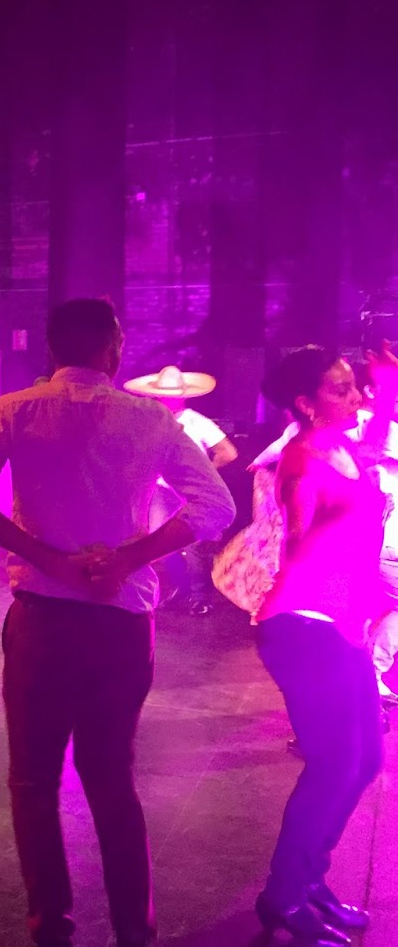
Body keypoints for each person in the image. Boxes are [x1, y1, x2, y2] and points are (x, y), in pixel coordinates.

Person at [0, 298, 235, 947]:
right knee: (111, 778)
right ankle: (136, 931)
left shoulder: (14, 410)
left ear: (51, 351)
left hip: (43, 620)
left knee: (33, 782)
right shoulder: (152, 421)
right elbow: (215, 503)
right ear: (115, 349)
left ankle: (51, 929)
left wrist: (48, 557)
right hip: (121, 620)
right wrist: (128, 557)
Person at [248, 343, 395, 944]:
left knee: (365, 761)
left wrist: (385, 382)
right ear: (306, 404)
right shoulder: (303, 460)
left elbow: (382, 420)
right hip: (306, 626)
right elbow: (298, 551)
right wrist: (356, 597)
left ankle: (309, 879)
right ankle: (281, 897)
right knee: (334, 764)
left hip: (342, 625)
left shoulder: (346, 447)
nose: (354, 396)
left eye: (353, 385)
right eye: (341, 389)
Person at [123, 364, 239, 614]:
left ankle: (199, 595)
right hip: (163, 490)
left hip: (186, 492)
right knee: (159, 538)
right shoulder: (152, 420)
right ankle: (182, 589)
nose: (167, 400)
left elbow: (228, 453)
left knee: (190, 541)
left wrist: (201, 476)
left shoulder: (196, 422)